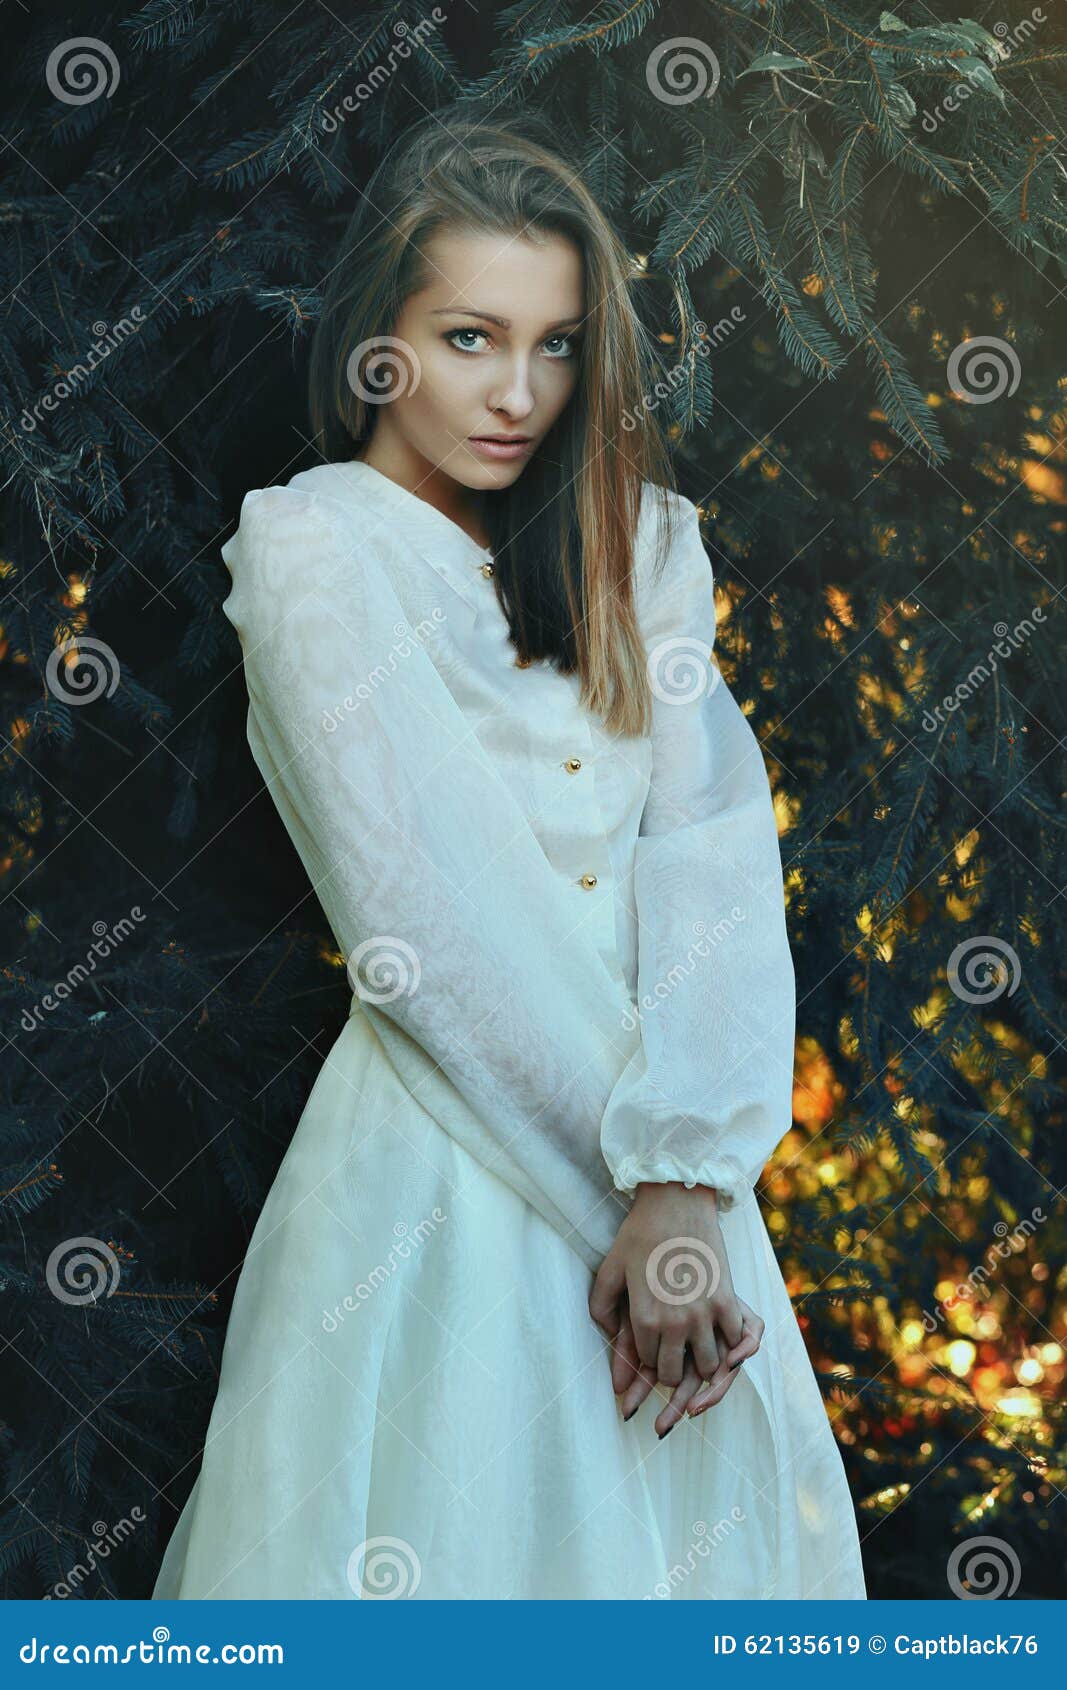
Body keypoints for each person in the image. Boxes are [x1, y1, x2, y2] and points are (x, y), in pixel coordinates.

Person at [152, 104, 867, 1601]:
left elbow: (714, 850)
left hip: (679, 1210)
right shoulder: (312, 549)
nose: (518, 391)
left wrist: (695, 1179)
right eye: (470, 337)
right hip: (436, 1191)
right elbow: (424, 918)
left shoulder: (645, 544)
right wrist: (642, 1207)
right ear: (377, 339)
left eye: (555, 346)